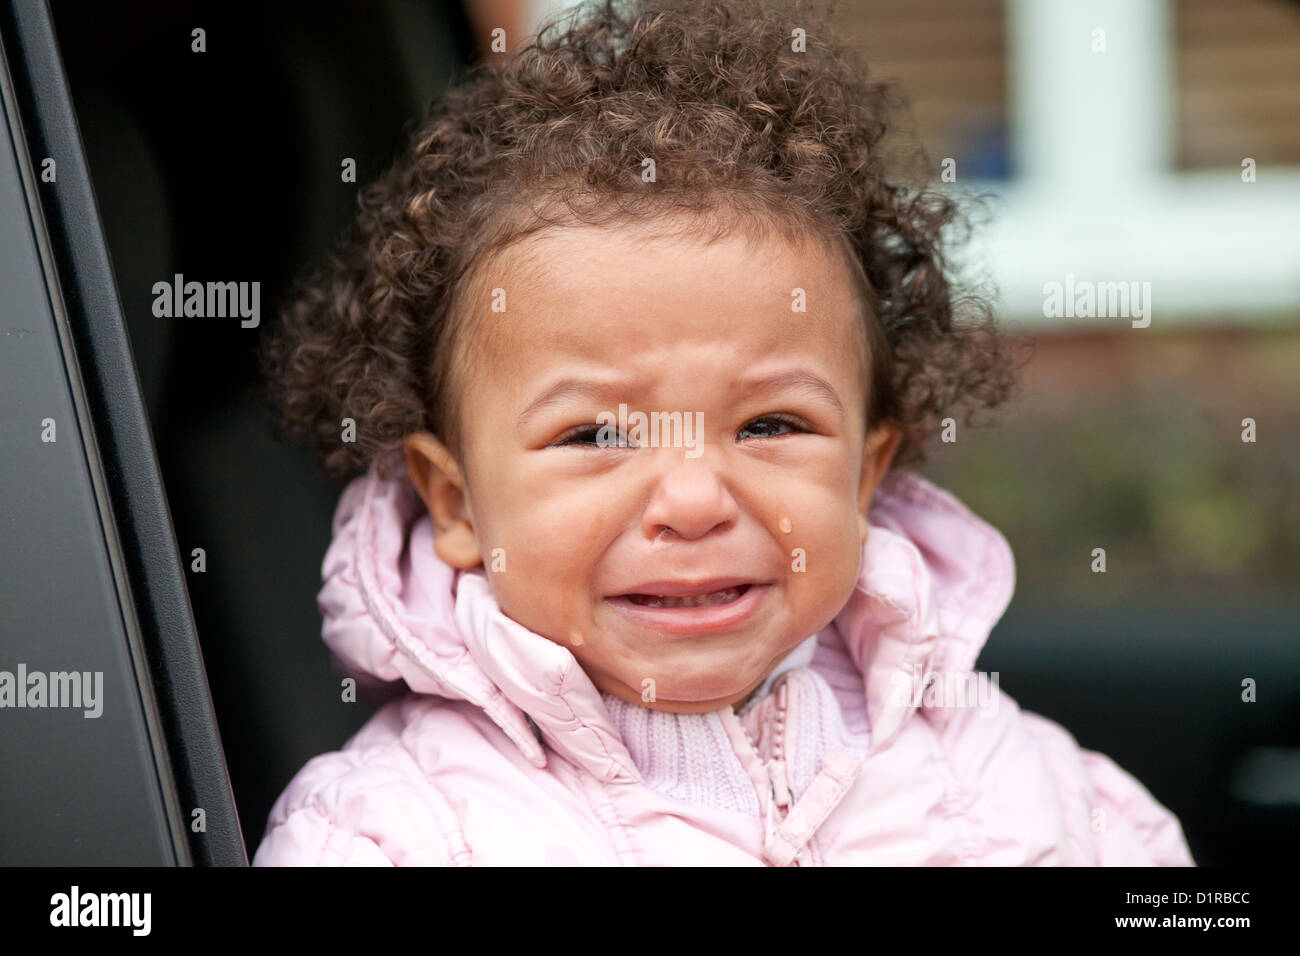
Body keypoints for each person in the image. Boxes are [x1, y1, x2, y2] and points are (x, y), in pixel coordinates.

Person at [252, 0, 1194, 865]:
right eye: (595, 435)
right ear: (456, 501)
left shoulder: (1019, 789)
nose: (696, 499)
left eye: (772, 424)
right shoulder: (393, 835)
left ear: (866, 477)